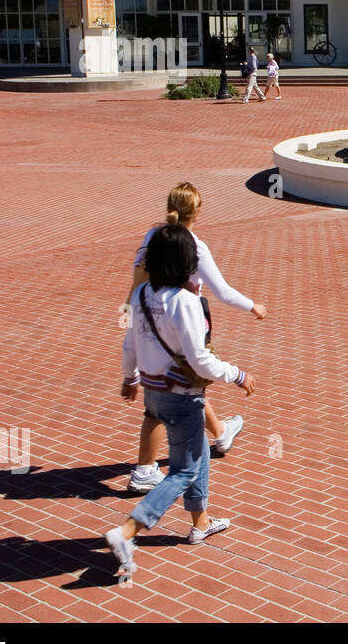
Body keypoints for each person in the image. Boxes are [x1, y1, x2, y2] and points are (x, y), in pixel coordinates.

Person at [107, 224, 256, 581]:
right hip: (182, 398)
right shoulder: (185, 301)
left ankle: (200, 522)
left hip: (154, 394)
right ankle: (128, 531)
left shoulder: (142, 293)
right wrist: (238, 375)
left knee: (200, 450)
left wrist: (130, 379)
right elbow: (200, 359)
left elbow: (130, 344)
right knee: (183, 470)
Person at [126, 182, 266, 493]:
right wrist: (252, 306)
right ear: (198, 211)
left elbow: (137, 274)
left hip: (146, 313)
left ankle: (219, 432)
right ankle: (146, 471)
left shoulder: (154, 236)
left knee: (182, 386)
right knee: (182, 387)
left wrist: (130, 369)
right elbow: (222, 291)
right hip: (182, 319)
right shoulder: (194, 246)